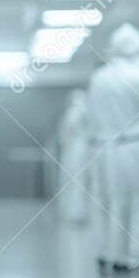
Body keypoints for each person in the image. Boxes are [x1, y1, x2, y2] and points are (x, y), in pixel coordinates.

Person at [86, 23, 139, 274]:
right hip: (131, 147)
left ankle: (106, 255)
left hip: (100, 149)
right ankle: (135, 260)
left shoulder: (98, 77)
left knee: (106, 203)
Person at [57, 90, 92, 224]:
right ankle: (77, 213)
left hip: (71, 150)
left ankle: (72, 211)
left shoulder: (70, 113)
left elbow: (63, 135)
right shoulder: (80, 112)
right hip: (79, 149)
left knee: (71, 181)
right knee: (79, 181)